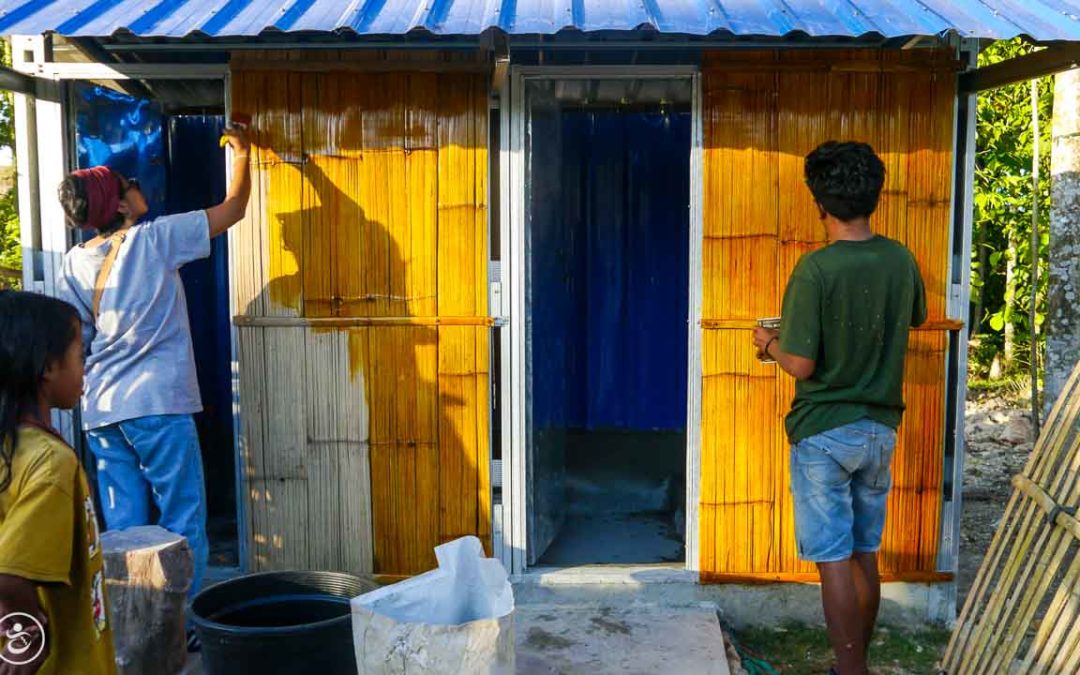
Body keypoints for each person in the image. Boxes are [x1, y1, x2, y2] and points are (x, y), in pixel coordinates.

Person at [55, 127, 251, 609]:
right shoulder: (155, 239)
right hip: (158, 404)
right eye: (131, 183)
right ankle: (180, 628)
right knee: (183, 520)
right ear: (121, 205)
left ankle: (134, 629)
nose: (140, 187)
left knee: (125, 530)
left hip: (102, 410)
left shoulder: (71, 264)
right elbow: (234, 209)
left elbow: (74, 338)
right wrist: (243, 155)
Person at [753, 141, 927, 675]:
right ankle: (858, 666)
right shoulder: (899, 257)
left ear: (819, 203)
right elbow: (915, 318)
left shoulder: (816, 269)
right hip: (880, 427)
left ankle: (848, 673)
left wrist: (768, 344)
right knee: (863, 554)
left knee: (832, 559)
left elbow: (802, 364)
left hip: (825, 431)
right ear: (875, 196)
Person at [0, 290, 116, 674]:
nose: (85, 366)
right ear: (49, 366)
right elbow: (9, 573)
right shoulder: (51, 464)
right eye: (79, 354)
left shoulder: (14, 448)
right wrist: (27, 634)